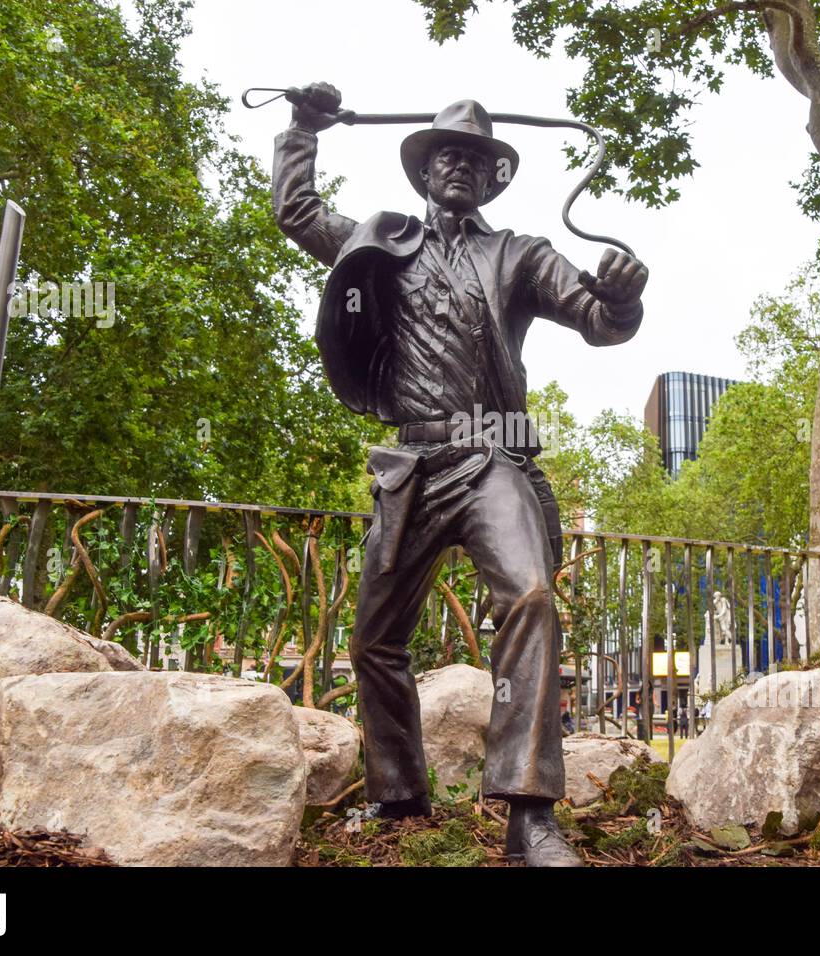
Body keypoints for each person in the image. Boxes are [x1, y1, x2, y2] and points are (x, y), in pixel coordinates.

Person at [273, 83, 648, 867]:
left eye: (474, 159)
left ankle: (530, 817)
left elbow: (598, 321)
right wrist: (302, 129)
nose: (459, 167)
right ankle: (400, 792)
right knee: (375, 639)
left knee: (533, 598)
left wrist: (622, 298)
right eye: (446, 154)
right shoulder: (383, 240)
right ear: (424, 169)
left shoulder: (519, 252)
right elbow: (299, 214)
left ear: (493, 178)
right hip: (410, 466)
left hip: (490, 459)